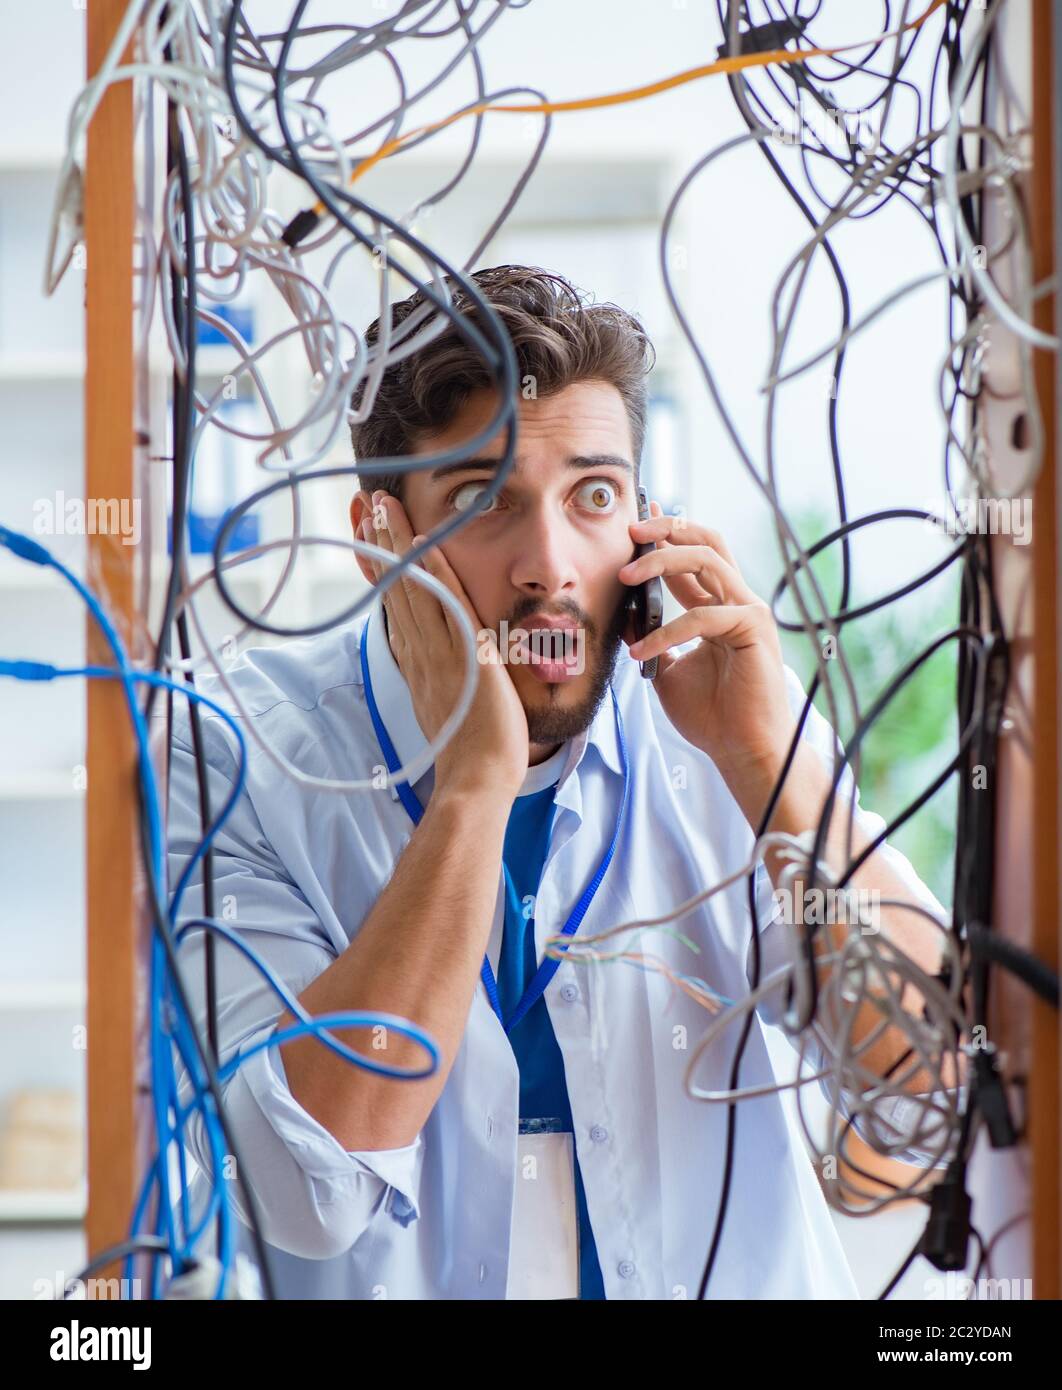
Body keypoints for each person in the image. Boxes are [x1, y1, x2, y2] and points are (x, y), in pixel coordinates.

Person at [167, 264, 948, 1300]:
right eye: (485, 502)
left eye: (593, 497)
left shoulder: (720, 727)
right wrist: (474, 784)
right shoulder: (230, 751)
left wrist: (773, 767)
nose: (550, 563)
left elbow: (933, 1094)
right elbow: (306, 1185)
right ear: (381, 540)